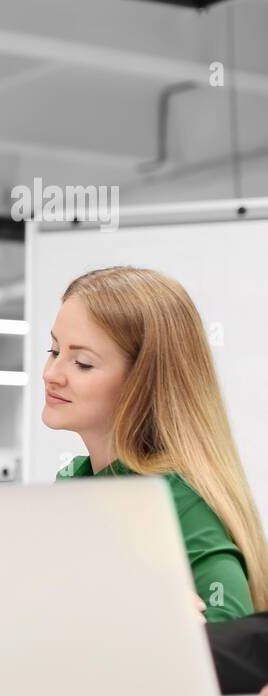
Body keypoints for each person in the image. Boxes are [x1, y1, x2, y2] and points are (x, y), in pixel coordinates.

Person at [43, 266, 267, 623]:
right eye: (54, 350)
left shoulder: (179, 494)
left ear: (143, 382)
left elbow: (234, 634)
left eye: (82, 363)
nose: (51, 374)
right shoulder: (73, 482)